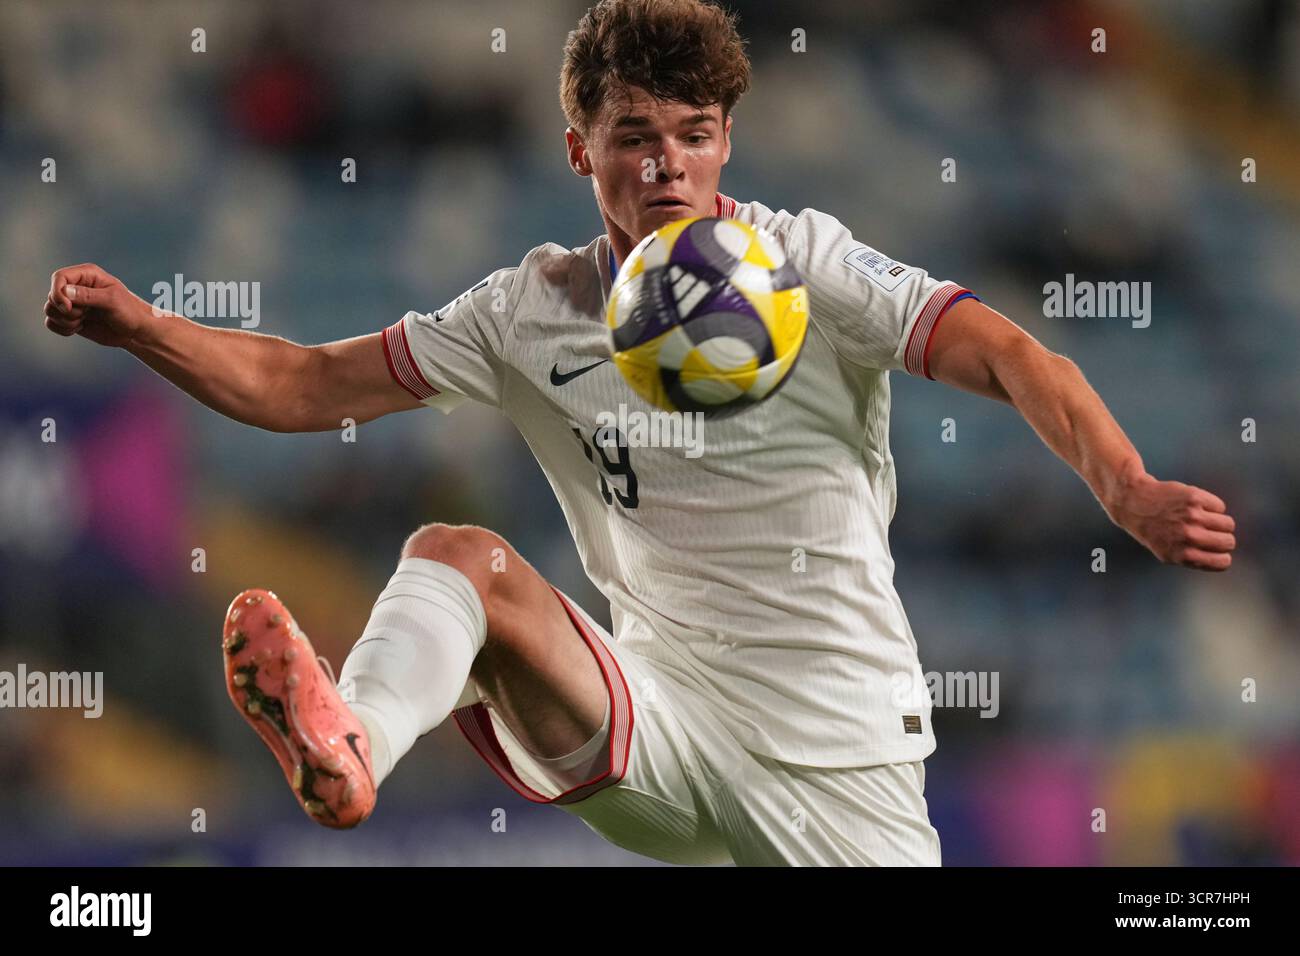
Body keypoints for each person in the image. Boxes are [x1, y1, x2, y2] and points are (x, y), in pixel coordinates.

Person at [42, 0, 1236, 866]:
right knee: (457, 556)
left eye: (693, 130)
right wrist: (146, 327)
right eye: (633, 135)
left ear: (725, 143)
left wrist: (1121, 484)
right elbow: (305, 381)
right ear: (581, 151)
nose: (666, 162)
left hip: (838, 753)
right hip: (655, 717)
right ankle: (351, 743)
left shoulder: (806, 266)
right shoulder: (529, 308)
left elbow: (1010, 350)